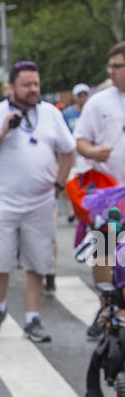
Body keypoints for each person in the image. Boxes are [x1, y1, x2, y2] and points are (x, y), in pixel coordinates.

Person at [0, 61, 75, 344]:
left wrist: (59, 184)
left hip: (40, 204)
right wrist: (1, 133)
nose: (33, 90)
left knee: (37, 262)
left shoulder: (51, 114)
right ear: (11, 87)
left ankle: (32, 318)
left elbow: (68, 151)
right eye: (27, 85)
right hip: (2, 203)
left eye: (36, 84)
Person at [74, 44, 125, 334]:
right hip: (109, 193)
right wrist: (93, 152)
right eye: (111, 66)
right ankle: (106, 309)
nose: (111, 72)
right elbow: (80, 141)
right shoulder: (98, 102)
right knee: (105, 252)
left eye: (117, 66)